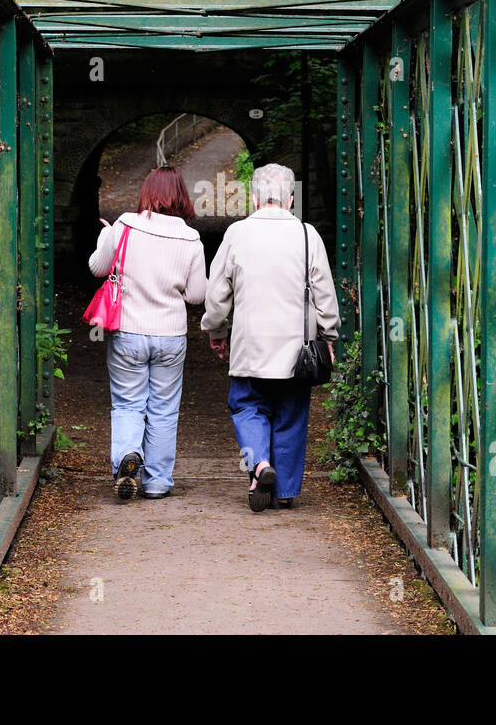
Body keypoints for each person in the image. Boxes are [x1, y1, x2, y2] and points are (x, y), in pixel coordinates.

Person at [200, 163, 339, 512]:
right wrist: (329, 335)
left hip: (250, 346)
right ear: (290, 199)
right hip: (297, 348)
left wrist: (216, 329)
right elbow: (324, 293)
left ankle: (260, 465)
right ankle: (286, 492)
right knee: (291, 414)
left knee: (247, 406)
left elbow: (217, 293)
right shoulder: (308, 234)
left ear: (255, 198)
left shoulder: (237, 234)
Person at [90, 166, 207, 501]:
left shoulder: (125, 224)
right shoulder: (191, 238)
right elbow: (197, 295)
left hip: (128, 331)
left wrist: (106, 236)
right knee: (164, 408)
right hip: (170, 334)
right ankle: (157, 482)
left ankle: (128, 455)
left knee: (128, 403)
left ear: (147, 193)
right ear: (182, 196)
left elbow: (97, 268)